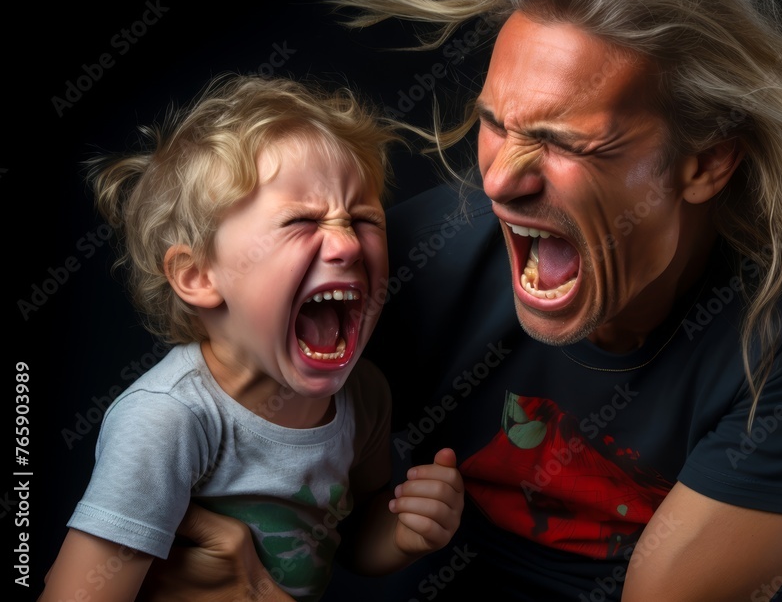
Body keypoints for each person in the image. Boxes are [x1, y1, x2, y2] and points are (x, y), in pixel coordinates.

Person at [139, 0, 782, 599]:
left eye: (563, 142)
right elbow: (209, 439)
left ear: (706, 161)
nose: (500, 180)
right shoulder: (421, 261)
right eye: (495, 125)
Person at [39, 75, 464, 602]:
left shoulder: (365, 394)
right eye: (301, 220)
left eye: (362, 218)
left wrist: (402, 531)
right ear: (198, 276)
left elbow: (346, 540)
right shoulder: (167, 420)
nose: (347, 243)